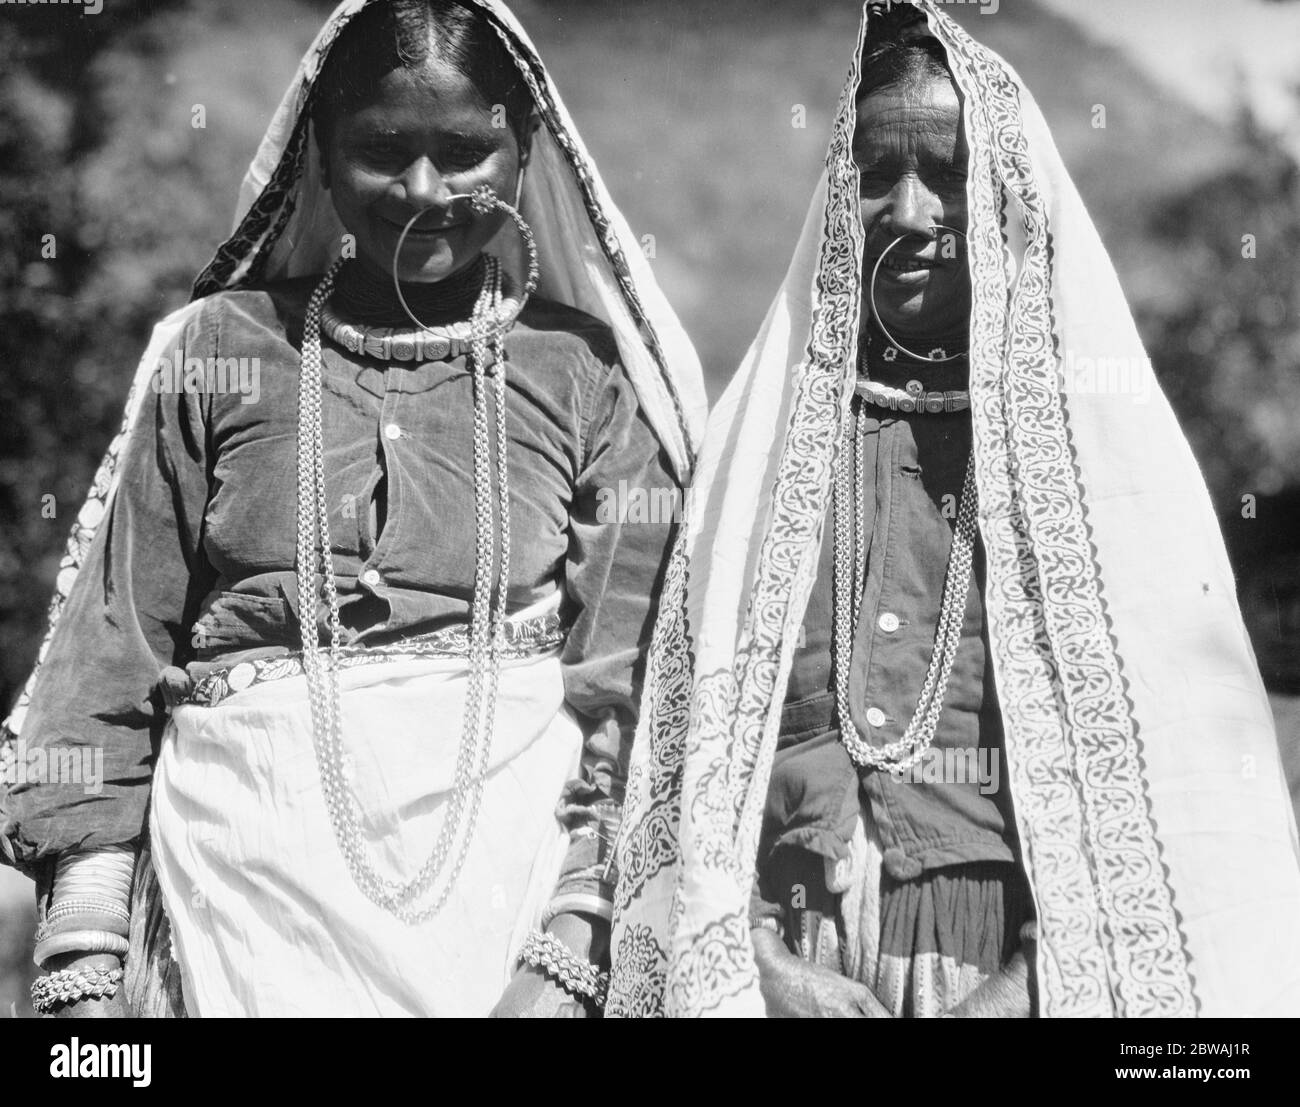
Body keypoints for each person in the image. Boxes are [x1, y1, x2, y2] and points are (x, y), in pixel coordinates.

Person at [0, 0, 704, 1018]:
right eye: (381, 151)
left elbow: (634, 684)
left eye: (465, 153)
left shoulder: (584, 373)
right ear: (318, 155)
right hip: (233, 898)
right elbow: (108, 651)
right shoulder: (219, 348)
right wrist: (83, 954)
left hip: (511, 918)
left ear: (524, 155)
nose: (424, 190)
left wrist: (573, 941)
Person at [607, 0, 1300, 1018]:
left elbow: (1167, 782)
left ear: (1011, 201)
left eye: (948, 172)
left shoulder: (1091, 469)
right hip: (785, 977)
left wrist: (1028, 986)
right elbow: (686, 763)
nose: (910, 210)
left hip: (1018, 980)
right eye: (876, 174)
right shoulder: (762, 457)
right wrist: (757, 960)